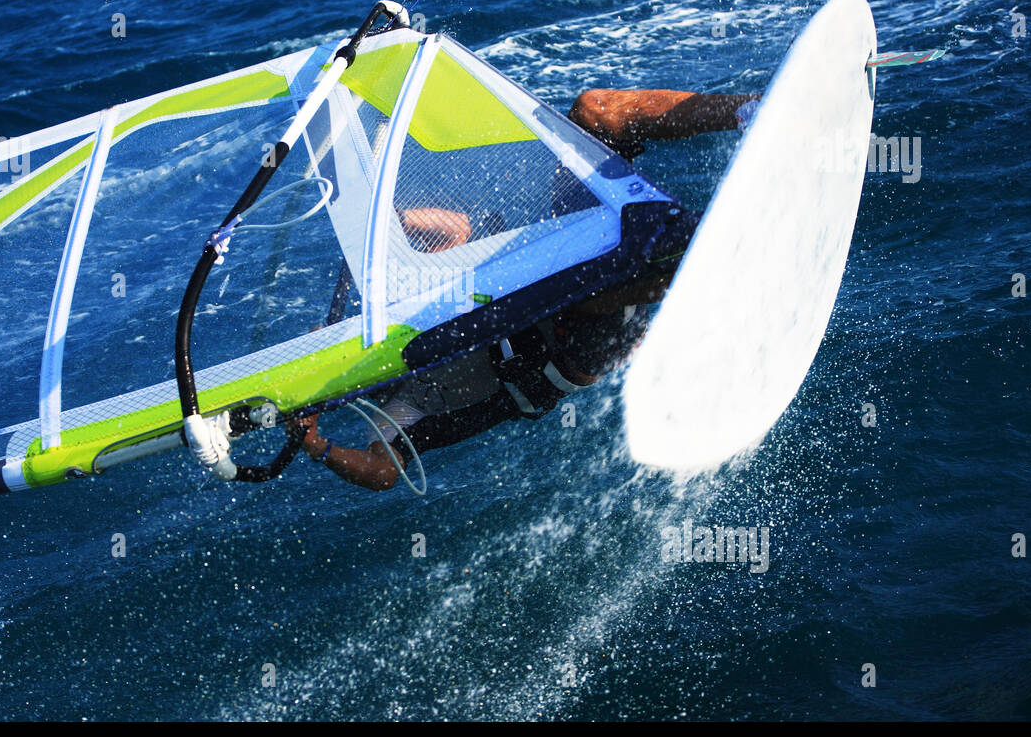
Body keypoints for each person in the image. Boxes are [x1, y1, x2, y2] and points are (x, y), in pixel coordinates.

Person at [288, 88, 760, 490]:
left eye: (327, 338)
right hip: (567, 349)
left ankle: (748, 111)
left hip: (552, 270)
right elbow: (383, 471)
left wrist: (377, 228)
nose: (335, 342)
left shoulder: (396, 306)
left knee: (595, 112)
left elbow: (452, 232)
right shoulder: (403, 409)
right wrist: (317, 446)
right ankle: (723, 255)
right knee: (587, 286)